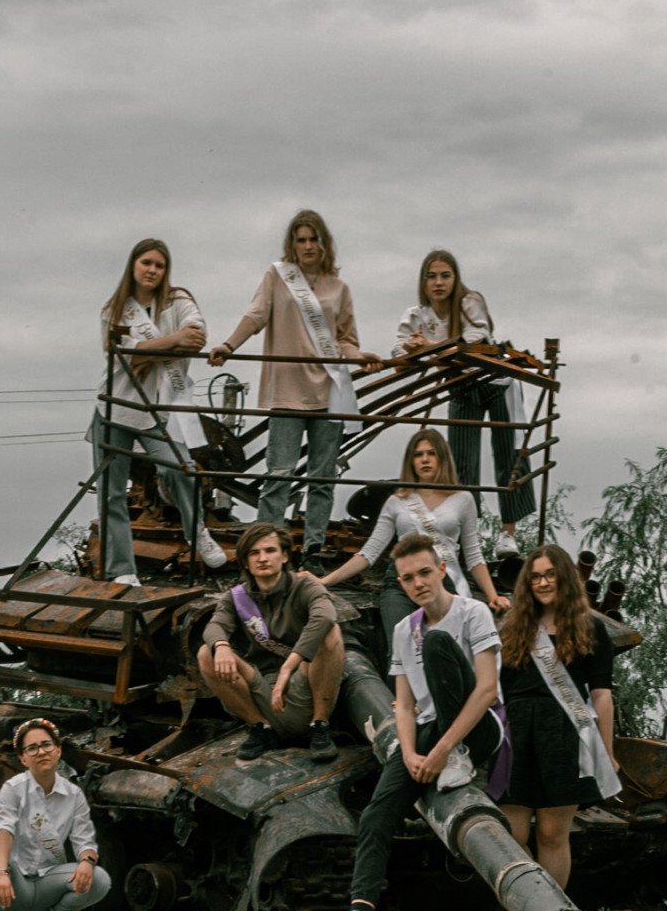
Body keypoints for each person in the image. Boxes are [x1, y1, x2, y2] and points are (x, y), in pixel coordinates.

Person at [305, 536, 502, 911]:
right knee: (378, 811)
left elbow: (486, 689)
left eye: (425, 572)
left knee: (437, 645)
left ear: (442, 569)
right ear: (401, 582)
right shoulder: (403, 629)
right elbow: (406, 705)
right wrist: (409, 754)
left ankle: (458, 760)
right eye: (408, 578)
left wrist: (445, 751)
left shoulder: (473, 612)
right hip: (428, 731)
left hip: (477, 728)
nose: (418, 583)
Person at [208, 211, 381, 567]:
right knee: (279, 475)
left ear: (324, 243)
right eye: (300, 239)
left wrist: (360, 355)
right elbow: (257, 315)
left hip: (329, 393)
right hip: (286, 391)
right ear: (292, 244)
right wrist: (229, 345)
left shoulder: (339, 287)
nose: (307, 246)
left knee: (322, 478)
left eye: (313, 239)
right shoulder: (278, 276)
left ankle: (313, 552)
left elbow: (345, 339)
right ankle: (267, 553)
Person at [93, 238, 227, 583]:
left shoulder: (178, 300)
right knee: (111, 493)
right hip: (116, 407)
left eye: (159, 265)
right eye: (146, 263)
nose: (152, 270)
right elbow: (119, 353)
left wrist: (145, 352)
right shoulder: (115, 308)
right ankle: (122, 569)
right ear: (133, 266)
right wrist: (165, 346)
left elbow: (195, 336)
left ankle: (197, 532)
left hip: (161, 409)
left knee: (180, 470)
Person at [394, 248, 536, 552]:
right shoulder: (417, 314)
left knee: (507, 454)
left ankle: (507, 535)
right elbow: (399, 348)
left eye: (446, 275)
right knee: (460, 458)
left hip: (494, 381)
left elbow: (476, 339)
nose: (438, 282)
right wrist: (412, 348)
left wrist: (430, 345)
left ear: (455, 278)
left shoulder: (469, 302)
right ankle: (463, 533)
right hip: (460, 384)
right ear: (423, 281)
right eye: (431, 276)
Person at [498, 544, 620, 889]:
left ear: (565, 578)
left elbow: (601, 694)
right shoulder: (510, 629)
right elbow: (494, 691)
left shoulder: (591, 629)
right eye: (535, 577)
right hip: (515, 735)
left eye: (550, 574)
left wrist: (607, 753)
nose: (543, 582)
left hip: (566, 734)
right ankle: (525, 908)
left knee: (552, 834)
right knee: (511, 834)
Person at [319, 427, 507, 637]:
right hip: (402, 581)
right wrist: (325, 581)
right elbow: (369, 552)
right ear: (411, 461)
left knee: (445, 645)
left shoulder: (463, 499)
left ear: (442, 458)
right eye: (418, 454)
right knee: (401, 645)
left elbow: (473, 556)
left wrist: (493, 596)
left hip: (444, 579)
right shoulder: (397, 501)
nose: (425, 459)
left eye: (431, 453)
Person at [197, 522, 345, 760]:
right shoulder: (236, 597)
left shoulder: (305, 586)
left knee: (331, 633)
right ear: (245, 562)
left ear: (285, 556)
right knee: (207, 653)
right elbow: (215, 626)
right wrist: (222, 646)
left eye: (270, 551)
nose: (262, 558)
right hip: (261, 686)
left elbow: (325, 615)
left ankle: (320, 725)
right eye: (254, 553)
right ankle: (260, 728)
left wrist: (289, 666)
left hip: (304, 682)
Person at [0, 719, 112, 911]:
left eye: (46, 745)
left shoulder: (73, 795)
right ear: (23, 759)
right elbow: (4, 828)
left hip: (50, 882)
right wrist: (1, 871)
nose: (41, 752)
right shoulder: (13, 789)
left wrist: (86, 861)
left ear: (58, 750)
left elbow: (84, 839)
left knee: (99, 878)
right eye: (32, 748)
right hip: (14, 885)